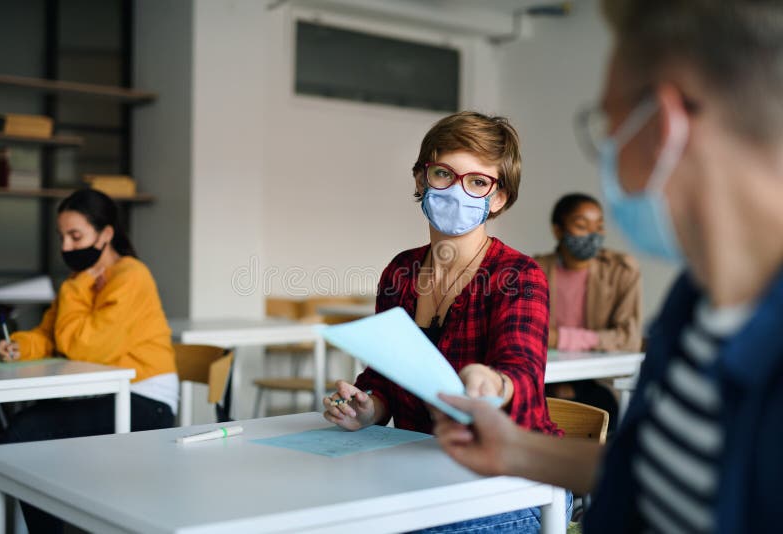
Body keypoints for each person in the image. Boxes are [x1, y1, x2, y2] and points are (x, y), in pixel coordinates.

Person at [434, 1, 783, 532]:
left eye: (608, 126)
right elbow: (646, 468)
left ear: (663, 125)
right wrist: (515, 450)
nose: (608, 157)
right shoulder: (695, 304)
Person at [323, 111, 572, 532]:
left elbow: (522, 377)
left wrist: (493, 385)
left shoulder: (518, 275)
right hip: (424, 472)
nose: (458, 191)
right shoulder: (400, 272)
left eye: (478, 181)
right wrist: (367, 409)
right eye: (443, 173)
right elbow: (384, 379)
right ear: (421, 180)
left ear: (499, 198)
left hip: (521, 482)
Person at [0, 188, 178, 533]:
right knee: (26, 434)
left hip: (145, 400)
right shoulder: (81, 281)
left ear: (106, 234)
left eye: (75, 236)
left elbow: (88, 347)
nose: (66, 247)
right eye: (62, 237)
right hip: (104, 395)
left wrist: (75, 289)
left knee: (24, 435)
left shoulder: (130, 276)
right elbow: (51, 334)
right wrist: (19, 345)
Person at [536, 193, 641, 430]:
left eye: (599, 227)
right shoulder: (536, 270)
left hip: (597, 380)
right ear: (558, 231)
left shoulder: (622, 270)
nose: (593, 235)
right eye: (581, 226)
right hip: (545, 375)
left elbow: (628, 337)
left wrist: (560, 337)